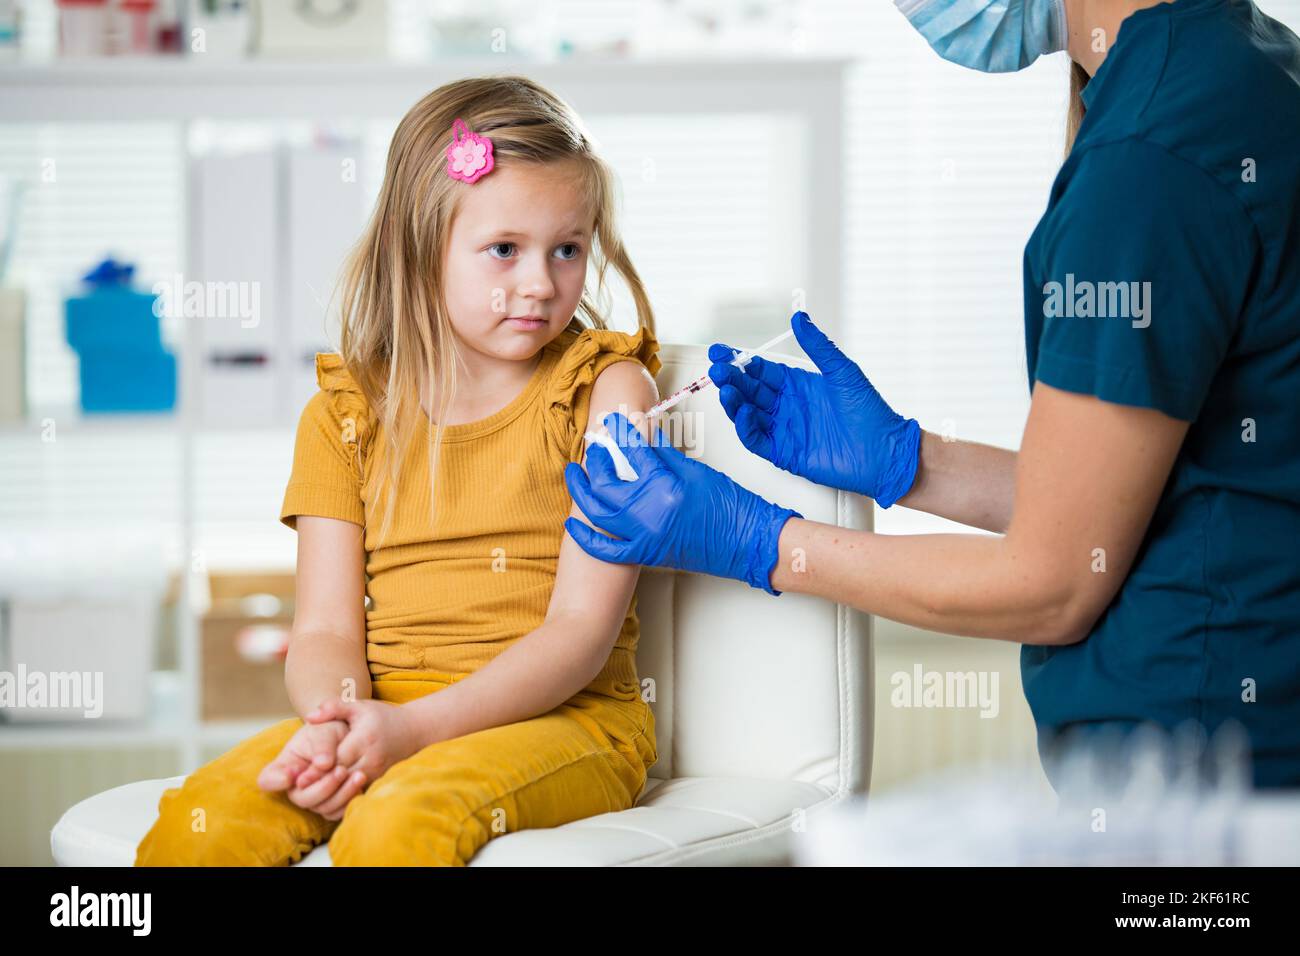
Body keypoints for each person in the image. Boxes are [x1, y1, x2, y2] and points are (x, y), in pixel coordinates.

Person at [565, 0, 1300, 790]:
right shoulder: (1240, 69)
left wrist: (763, 542)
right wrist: (913, 463)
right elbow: (1150, 498)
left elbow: (1052, 584)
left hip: (1209, 773)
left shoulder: (1150, 159)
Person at [136, 76, 661, 866]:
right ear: (421, 249)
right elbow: (323, 630)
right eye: (504, 250)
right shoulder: (344, 416)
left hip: (568, 721)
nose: (542, 283)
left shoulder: (607, 392)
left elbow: (579, 634)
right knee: (199, 827)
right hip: (382, 714)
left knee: (396, 826)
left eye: (568, 248)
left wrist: (412, 733)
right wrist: (339, 724)